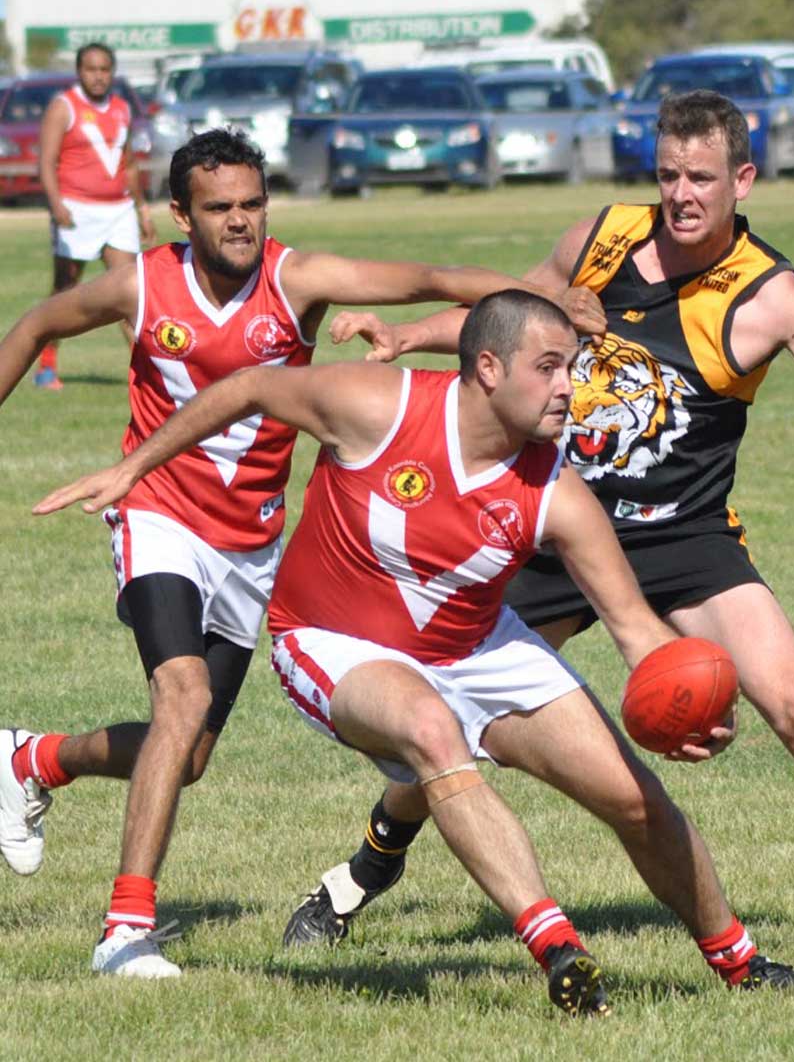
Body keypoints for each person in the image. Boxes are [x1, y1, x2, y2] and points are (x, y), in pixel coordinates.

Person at [289, 90, 794, 961]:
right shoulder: (603, 238)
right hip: (560, 525)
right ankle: (363, 872)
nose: (681, 195)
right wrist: (407, 336)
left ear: (743, 178)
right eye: (667, 175)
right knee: (451, 710)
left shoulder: (774, 298)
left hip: (687, 539)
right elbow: (507, 317)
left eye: (701, 177)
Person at [35, 291, 794, 1007]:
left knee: (633, 797)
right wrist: (134, 467)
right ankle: (558, 951)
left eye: (574, 368)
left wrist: (693, 698)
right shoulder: (375, 406)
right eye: (550, 367)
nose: (569, 387)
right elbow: (247, 387)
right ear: (488, 367)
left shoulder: (560, 492)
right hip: (331, 642)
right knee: (428, 731)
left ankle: (739, 962)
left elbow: (634, 627)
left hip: (477, 645)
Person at [0, 130, 544, 978]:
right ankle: (125, 931)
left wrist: (546, 302)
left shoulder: (300, 280)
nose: (240, 221)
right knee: (179, 695)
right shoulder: (142, 285)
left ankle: (29, 759)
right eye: (219, 208)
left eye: (252, 203)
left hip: (253, 544)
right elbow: (38, 322)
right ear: (181, 214)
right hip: (157, 516)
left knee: (190, 760)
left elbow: (433, 281)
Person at [33, 42, 155, 389]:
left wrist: (142, 208)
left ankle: (146, 376)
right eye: (91, 69)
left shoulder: (121, 109)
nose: (98, 76)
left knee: (131, 291)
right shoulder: (64, 107)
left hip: (118, 210)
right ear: (79, 71)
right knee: (65, 289)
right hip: (76, 209)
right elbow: (46, 161)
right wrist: (56, 204)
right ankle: (46, 365)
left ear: (112, 73)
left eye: (104, 69)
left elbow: (128, 164)